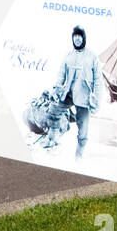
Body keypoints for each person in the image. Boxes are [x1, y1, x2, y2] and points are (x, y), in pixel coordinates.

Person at [35, 25, 100, 158]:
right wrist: (57, 90)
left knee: (83, 131)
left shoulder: (92, 56)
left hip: (83, 97)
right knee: (52, 111)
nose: (77, 39)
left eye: (79, 36)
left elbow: (98, 80)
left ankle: (79, 156)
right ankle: (52, 140)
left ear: (83, 38)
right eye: (75, 37)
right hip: (68, 94)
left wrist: (96, 100)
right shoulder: (68, 56)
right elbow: (61, 76)